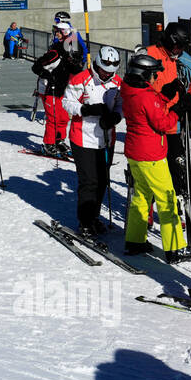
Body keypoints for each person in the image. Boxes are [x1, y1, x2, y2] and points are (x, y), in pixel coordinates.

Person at [120, 53, 189, 262]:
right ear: (143, 75)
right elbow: (163, 123)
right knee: (166, 199)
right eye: (152, 75)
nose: (155, 79)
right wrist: (178, 109)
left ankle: (135, 240)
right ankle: (174, 248)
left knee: (141, 197)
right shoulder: (145, 96)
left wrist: (166, 94)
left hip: (136, 153)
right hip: (151, 154)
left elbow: (151, 105)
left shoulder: (129, 89)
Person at [146, 22, 191, 247]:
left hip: (175, 125)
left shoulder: (182, 60)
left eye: (181, 47)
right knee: (152, 170)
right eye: (177, 46)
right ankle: (148, 209)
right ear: (170, 41)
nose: (179, 50)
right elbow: (144, 90)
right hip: (153, 125)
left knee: (177, 167)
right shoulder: (151, 55)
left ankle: (176, 210)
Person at [62, 45, 124, 236]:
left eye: (111, 71)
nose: (107, 75)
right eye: (104, 70)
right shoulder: (81, 79)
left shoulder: (118, 83)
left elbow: (122, 106)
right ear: (97, 64)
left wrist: (115, 117)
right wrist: (86, 109)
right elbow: (67, 102)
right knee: (89, 181)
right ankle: (85, 221)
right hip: (83, 138)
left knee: (103, 180)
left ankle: (94, 216)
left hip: (106, 138)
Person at [32, 20, 84, 157]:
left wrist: (78, 64)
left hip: (62, 89)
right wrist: (47, 75)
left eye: (58, 32)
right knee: (53, 118)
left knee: (63, 117)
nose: (56, 34)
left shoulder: (69, 51)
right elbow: (36, 67)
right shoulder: (55, 53)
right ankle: (48, 144)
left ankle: (59, 141)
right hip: (49, 89)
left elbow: (76, 69)